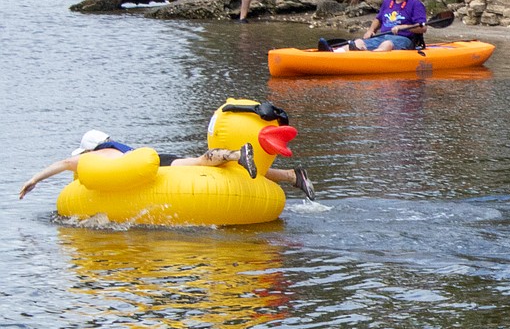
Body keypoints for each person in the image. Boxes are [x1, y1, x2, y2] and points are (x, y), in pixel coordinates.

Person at [19, 129, 314, 201]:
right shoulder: (118, 145)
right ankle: (291, 175)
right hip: (156, 159)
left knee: (202, 163)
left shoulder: (92, 157)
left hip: (153, 173)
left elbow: (65, 162)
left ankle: (238, 155)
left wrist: (34, 179)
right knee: (206, 162)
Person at [342, 0, 427, 51]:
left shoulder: (416, 4)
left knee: (387, 44)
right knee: (358, 42)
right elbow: (378, 19)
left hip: (404, 39)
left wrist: (404, 27)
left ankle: (371, 59)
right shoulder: (387, 1)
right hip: (383, 37)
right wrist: (371, 30)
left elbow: (423, 28)